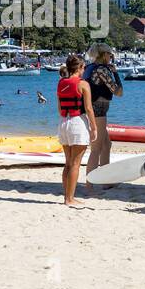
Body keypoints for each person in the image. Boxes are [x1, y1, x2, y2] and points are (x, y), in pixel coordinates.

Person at [56, 54, 96, 207]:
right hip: (77, 123)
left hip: (63, 122)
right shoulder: (83, 84)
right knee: (75, 164)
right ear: (79, 68)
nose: (84, 69)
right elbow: (89, 108)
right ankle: (69, 199)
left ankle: (67, 196)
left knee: (68, 163)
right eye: (83, 67)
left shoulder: (61, 83)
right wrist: (94, 127)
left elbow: (59, 107)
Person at [83, 42, 124, 182]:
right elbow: (118, 92)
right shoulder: (102, 70)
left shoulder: (89, 67)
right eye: (110, 54)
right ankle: (89, 184)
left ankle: (105, 181)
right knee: (96, 148)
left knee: (107, 145)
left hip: (93, 109)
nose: (111, 57)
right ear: (104, 55)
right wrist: (116, 74)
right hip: (98, 110)